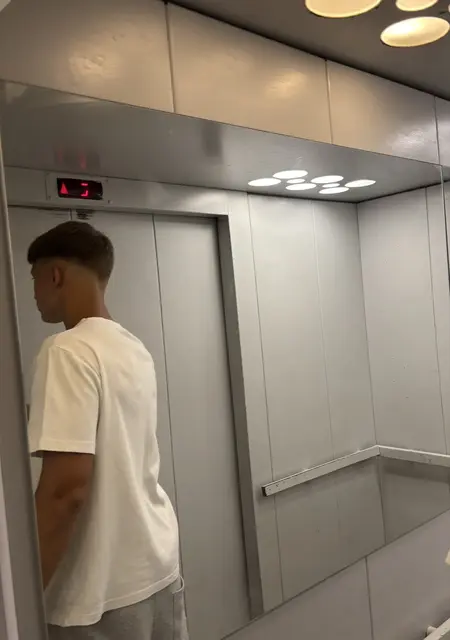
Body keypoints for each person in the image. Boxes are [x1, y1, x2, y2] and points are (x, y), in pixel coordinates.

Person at [27, 221, 187, 640]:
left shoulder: (67, 350)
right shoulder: (133, 348)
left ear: (54, 275)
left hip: (97, 595)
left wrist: (22, 596)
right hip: (159, 570)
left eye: (34, 278)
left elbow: (66, 492)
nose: (33, 293)